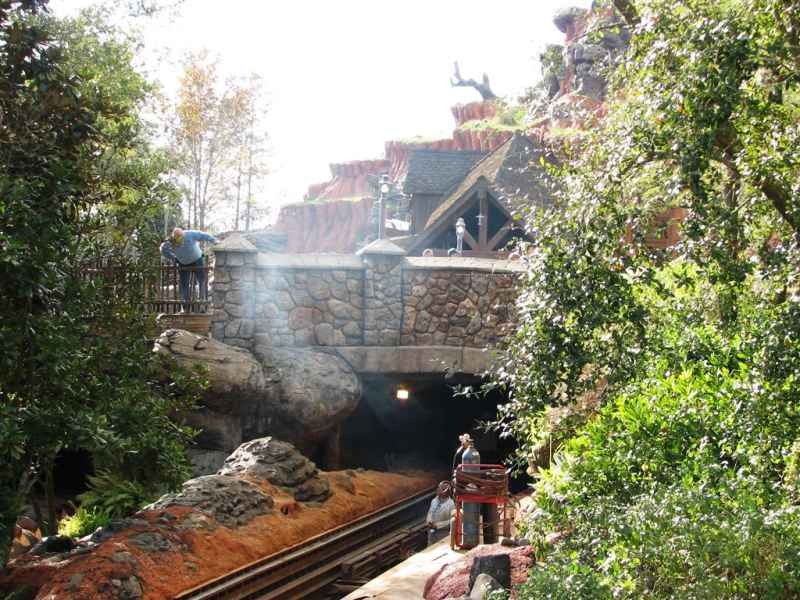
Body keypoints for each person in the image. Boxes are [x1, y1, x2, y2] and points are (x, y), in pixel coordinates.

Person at [160, 227, 218, 312]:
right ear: (174, 237)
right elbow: (163, 249)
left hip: (197, 260)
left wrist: (214, 240)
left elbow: (203, 235)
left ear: (183, 234)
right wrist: (173, 258)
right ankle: (185, 307)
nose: (180, 239)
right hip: (183, 263)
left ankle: (202, 303)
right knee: (184, 284)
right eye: (178, 238)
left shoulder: (190, 234)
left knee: (202, 281)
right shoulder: (171, 241)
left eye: (181, 237)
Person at [426, 480, 455, 546]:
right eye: (439, 488)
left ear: (447, 492)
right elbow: (430, 512)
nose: (439, 490)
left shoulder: (451, 504)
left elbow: (451, 521)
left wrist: (437, 525)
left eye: (442, 489)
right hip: (431, 533)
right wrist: (429, 521)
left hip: (442, 535)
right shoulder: (434, 500)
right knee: (430, 548)